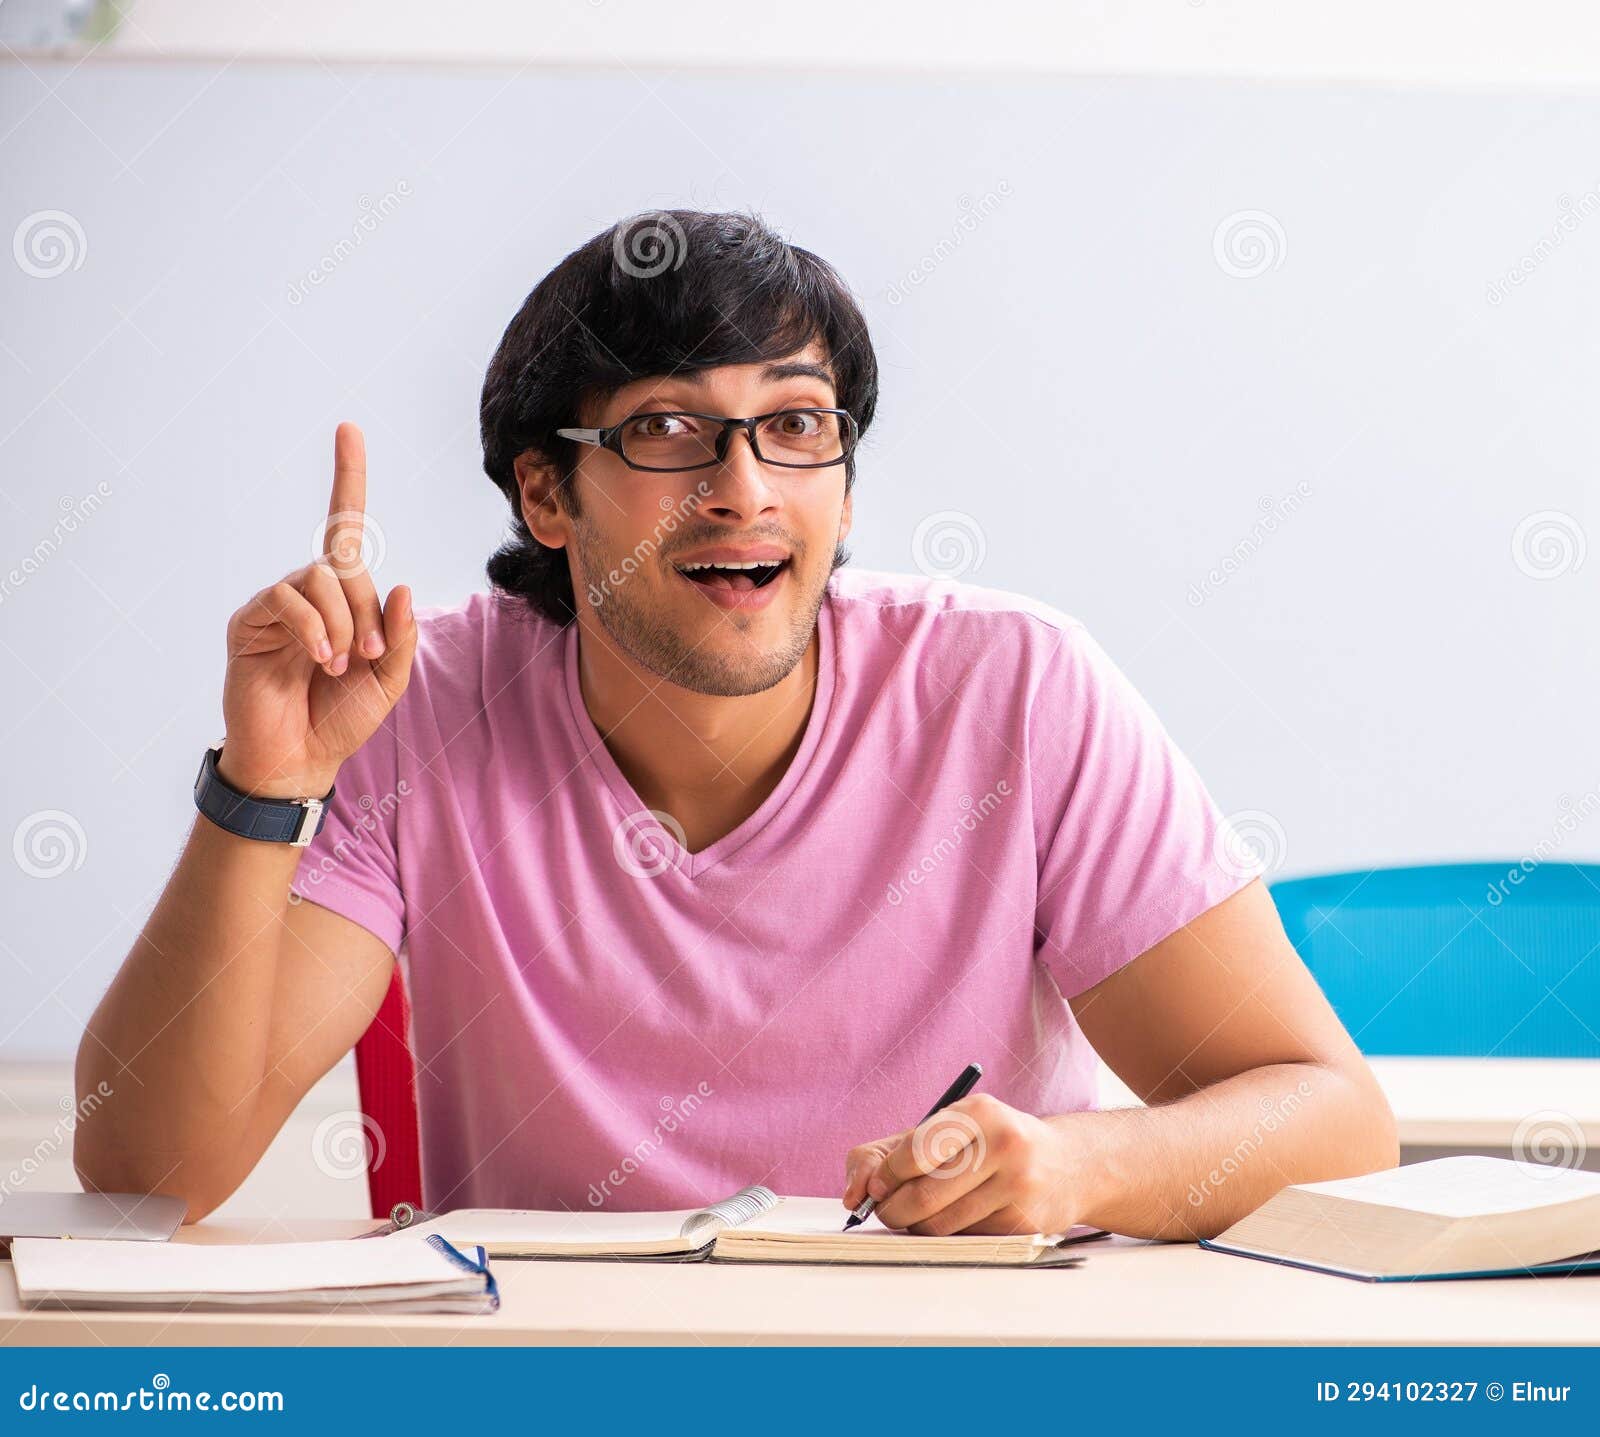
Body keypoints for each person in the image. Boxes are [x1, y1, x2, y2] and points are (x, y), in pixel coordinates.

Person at [75, 209, 1396, 1236]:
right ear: (547, 494)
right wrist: (265, 783)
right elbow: (149, 1175)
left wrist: (1077, 1164)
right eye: (666, 431)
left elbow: (1334, 1117)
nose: (741, 487)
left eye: (795, 425)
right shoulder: (414, 708)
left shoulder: (1021, 693)